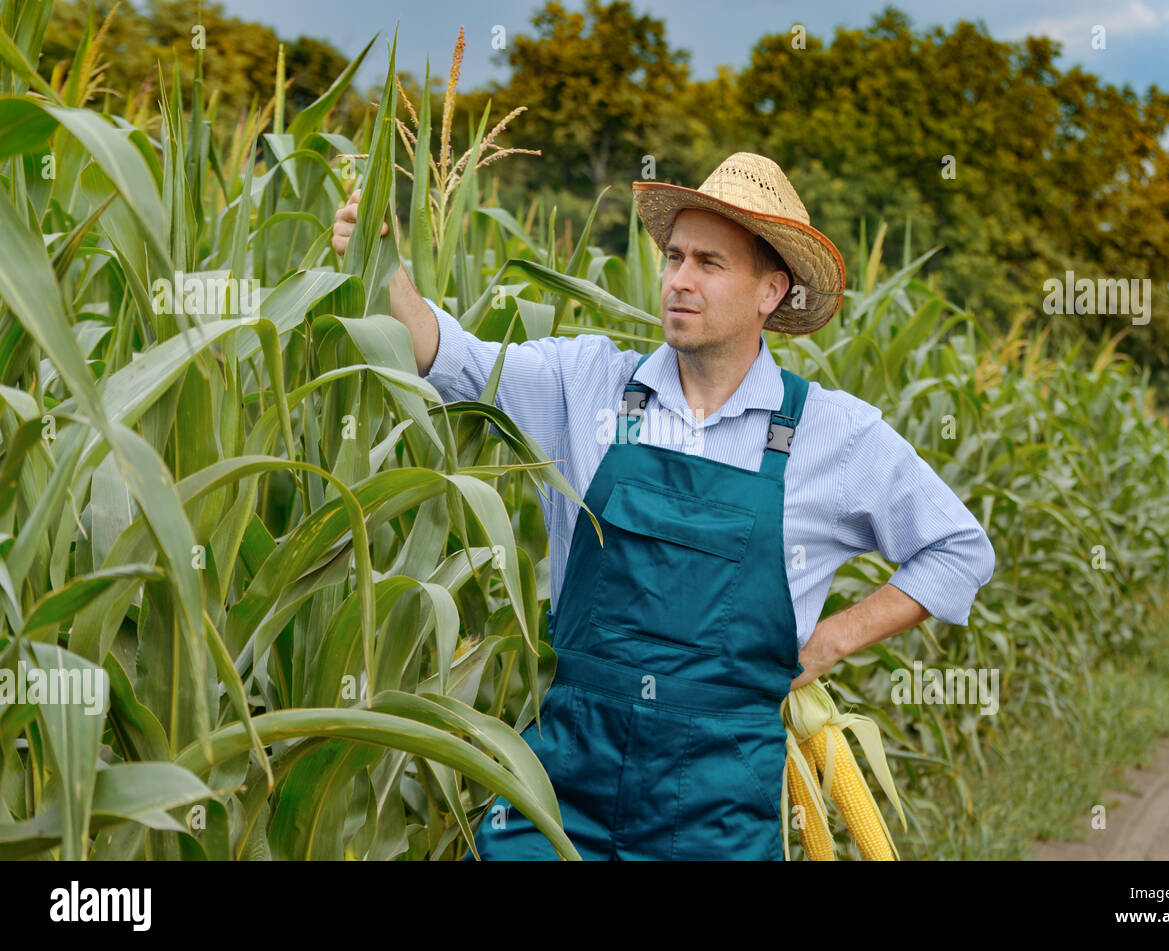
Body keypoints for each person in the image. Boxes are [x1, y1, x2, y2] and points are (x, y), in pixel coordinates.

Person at [332, 151, 996, 860]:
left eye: (709, 263)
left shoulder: (832, 433)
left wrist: (828, 643)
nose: (679, 279)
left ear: (770, 290)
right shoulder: (587, 382)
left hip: (716, 811)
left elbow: (960, 551)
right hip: (563, 784)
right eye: (674, 256)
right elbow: (453, 358)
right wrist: (388, 271)